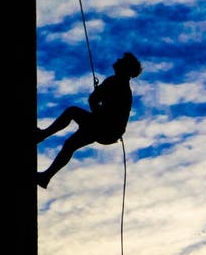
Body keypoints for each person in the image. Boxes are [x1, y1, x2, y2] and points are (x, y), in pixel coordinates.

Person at [36, 52, 143, 188]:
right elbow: (99, 103)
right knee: (70, 144)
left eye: (121, 60)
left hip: (105, 127)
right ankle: (46, 177)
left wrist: (97, 102)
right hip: (108, 130)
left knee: (72, 112)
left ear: (125, 67)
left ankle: (42, 135)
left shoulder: (115, 82)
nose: (117, 60)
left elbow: (94, 101)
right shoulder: (121, 85)